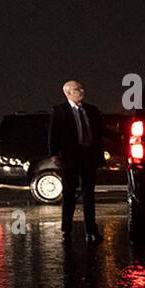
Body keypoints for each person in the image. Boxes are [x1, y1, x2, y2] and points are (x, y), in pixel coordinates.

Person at [48, 80, 104, 242]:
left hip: (89, 157)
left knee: (89, 195)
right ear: (67, 93)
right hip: (70, 159)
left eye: (81, 88)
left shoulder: (91, 110)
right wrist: (53, 154)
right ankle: (67, 230)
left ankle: (91, 231)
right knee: (69, 195)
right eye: (77, 89)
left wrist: (122, 135)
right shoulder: (59, 111)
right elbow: (53, 134)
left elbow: (101, 130)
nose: (81, 91)